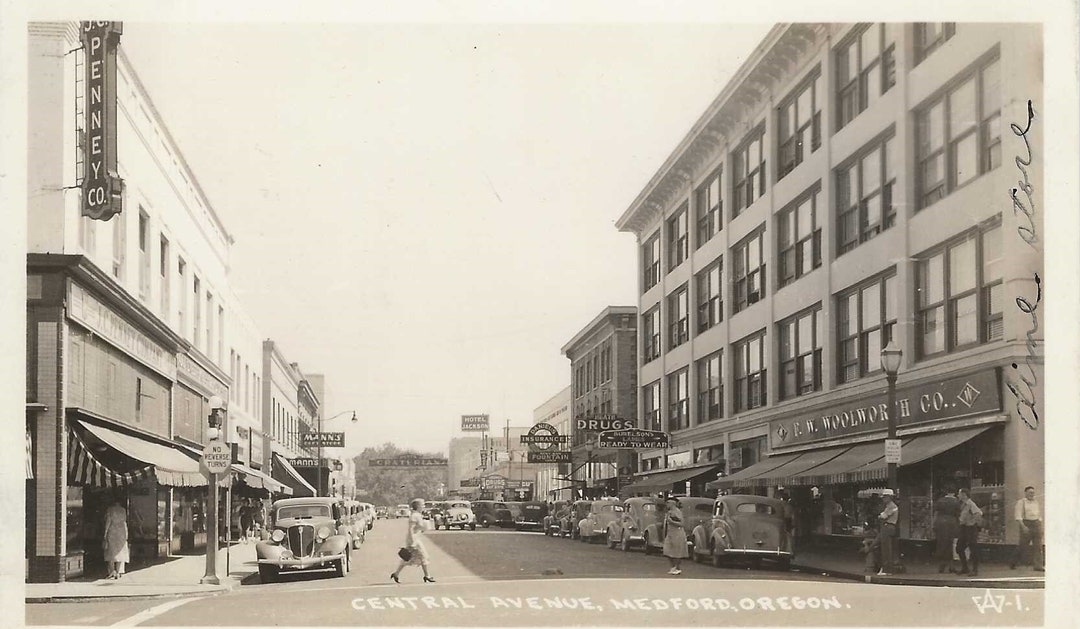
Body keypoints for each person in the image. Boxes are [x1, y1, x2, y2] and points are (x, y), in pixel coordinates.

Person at [391, 498, 435, 583]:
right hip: (414, 540)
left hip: (415, 539)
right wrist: (412, 542)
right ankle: (427, 576)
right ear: (418, 506)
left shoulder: (417, 515)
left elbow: (419, 528)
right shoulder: (415, 516)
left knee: (410, 558)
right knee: (423, 556)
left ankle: (396, 574)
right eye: (422, 505)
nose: (424, 506)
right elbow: (411, 529)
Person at [1011, 486, 1044, 571]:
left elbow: (1039, 514)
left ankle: (1038, 566)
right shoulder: (1021, 502)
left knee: (1038, 546)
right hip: (1026, 523)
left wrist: (1040, 524)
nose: (1031, 494)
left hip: (1036, 524)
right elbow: (1018, 516)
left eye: (1033, 492)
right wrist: (1023, 527)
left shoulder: (1036, 502)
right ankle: (1013, 562)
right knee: (1023, 545)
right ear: (1025, 493)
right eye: (1030, 492)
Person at [933, 487, 961, 573]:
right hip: (951, 523)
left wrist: (934, 524)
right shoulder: (956, 502)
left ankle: (942, 564)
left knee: (941, 543)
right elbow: (958, 514)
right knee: (950, 543)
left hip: (940, 522)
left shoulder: (940, 500)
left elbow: (936, 513)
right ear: (954, 493)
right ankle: (951, 565)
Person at [956, 488, 983, 576]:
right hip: (964, 528)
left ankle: (975, 570)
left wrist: (972, 522)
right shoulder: (963, 504)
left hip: (970, 528)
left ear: (964, 495)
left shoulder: (970, 504)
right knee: (959, 548)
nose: (958, 495)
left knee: (973, 548)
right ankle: (965, 568)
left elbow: (979, 513)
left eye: (959, 494)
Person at [103, 496, 130, 580]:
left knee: (111, 552)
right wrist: (126, 534)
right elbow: (124, 522)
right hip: (121, 532)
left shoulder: (110, 510)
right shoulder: (123, 510)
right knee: (120, 552)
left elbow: (108, 521)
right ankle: (118, 572)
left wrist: (105, 533)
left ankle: (111, 572)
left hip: (112, 531)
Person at [662, 496, 688, 575]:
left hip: (677, 533)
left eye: (668, 503)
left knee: (677, 551)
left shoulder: (677, 512)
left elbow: (682, 523)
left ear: (672, 504)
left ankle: (676, 567)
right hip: (670, 533)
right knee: (667, 550)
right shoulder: (669, 512)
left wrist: (671, 521)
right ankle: (674, 567)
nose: (666, 505)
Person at [876, 489, 898, 576]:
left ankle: (886, 569)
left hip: (888, 526)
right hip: (889, 527)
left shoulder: (891, 506)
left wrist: (880, 516)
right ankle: (887, 568)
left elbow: (883, 516)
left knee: (886, 548)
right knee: (886, 548)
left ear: (889, 497)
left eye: (885, 497)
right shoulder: (889, 506)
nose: (883, 499)